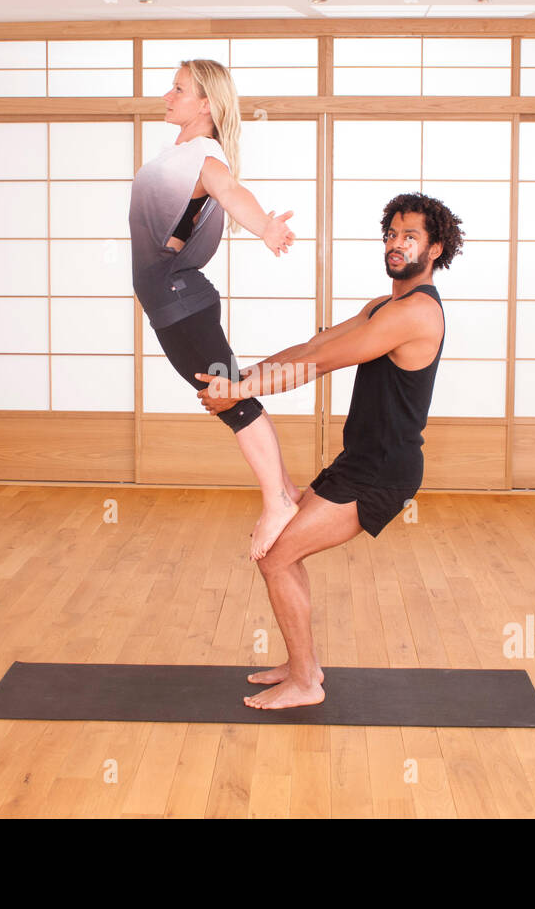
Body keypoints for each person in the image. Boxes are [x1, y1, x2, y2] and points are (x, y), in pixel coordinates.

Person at [196, 192, 462, 709]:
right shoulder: (384, 305)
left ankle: (304, 683)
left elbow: (323, 365)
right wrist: (236, 378)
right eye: (392, 233)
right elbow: (311, 348)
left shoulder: (417, 314)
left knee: (275, 556)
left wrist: (239, 389)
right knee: (282, 554)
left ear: (436, 248)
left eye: (411, 236)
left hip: (383, 475)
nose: (397, 244)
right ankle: (304, 666)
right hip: (358, 463)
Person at [130, 59, 301, 560]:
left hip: (183, 303)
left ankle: (278, 503)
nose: (167, 95)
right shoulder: (179, 156)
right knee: (228, 393)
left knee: (229, 397)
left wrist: (265, 227)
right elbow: (179, 224)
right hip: (174, 300)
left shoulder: (204, 156)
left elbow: (229, 191)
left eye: (178, 89)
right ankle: (285, 492)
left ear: (206, 104)